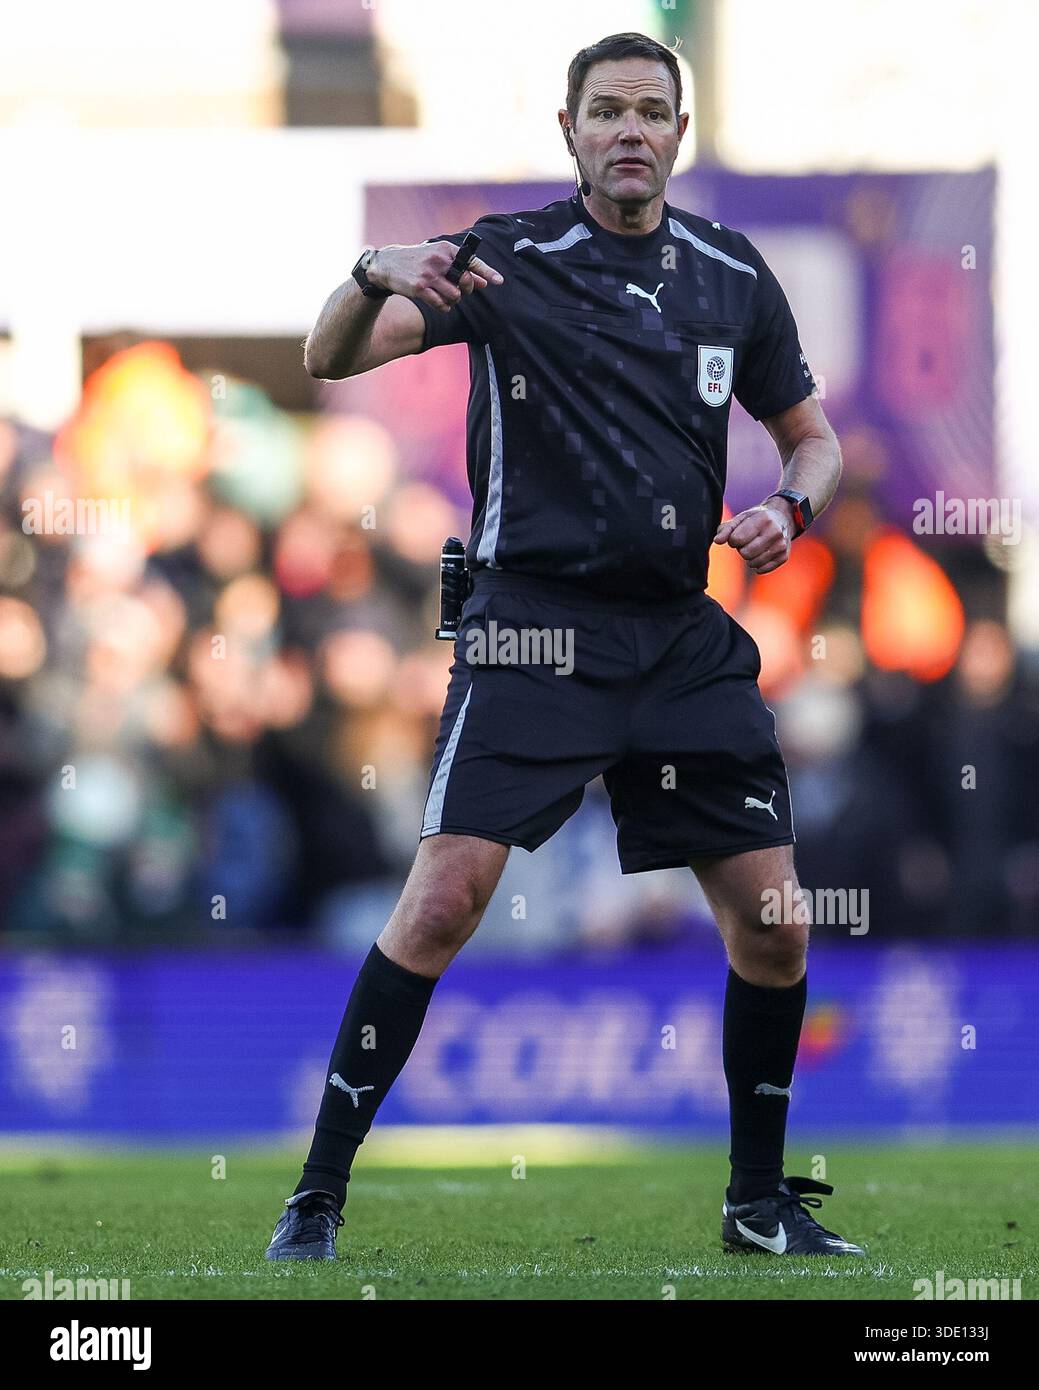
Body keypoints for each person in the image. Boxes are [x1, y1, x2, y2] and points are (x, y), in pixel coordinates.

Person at [265, 31, 863, 1262]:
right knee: (441, 900)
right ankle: (313, 1199)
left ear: (679, 136)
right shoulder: (501, 260)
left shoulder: (732, 274)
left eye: (652, 111)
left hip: (681, 635)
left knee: (777, 925)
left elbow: (814, 441)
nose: (630, 130)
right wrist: (373, 267)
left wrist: (787, 508)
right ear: (571, 131)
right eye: (608, 112)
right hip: (534, 627)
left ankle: (756, 1204)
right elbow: (329, 356)